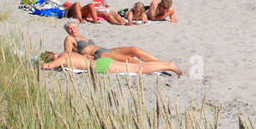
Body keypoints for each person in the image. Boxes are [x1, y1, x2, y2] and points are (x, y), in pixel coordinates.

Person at [61, 20, 164, 63]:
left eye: (74, 27)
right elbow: (68, 54)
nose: (73, 30)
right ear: (67, 31)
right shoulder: (69, 38)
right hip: (98, 54)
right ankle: (156, 67)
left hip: (105, 50)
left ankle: (160, 63)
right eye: (70, 29)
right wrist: (84, 57)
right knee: (129, 59)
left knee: (134, 49)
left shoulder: (83, 37)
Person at [39, 50, 182, 76]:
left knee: (138, 69)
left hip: (101, 66)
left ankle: (168, 65)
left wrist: (40, 65)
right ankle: (166, 65)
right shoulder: (68, 53)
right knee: (137, 67)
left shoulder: (62, 58)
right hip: (101, 62)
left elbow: (48, 66)